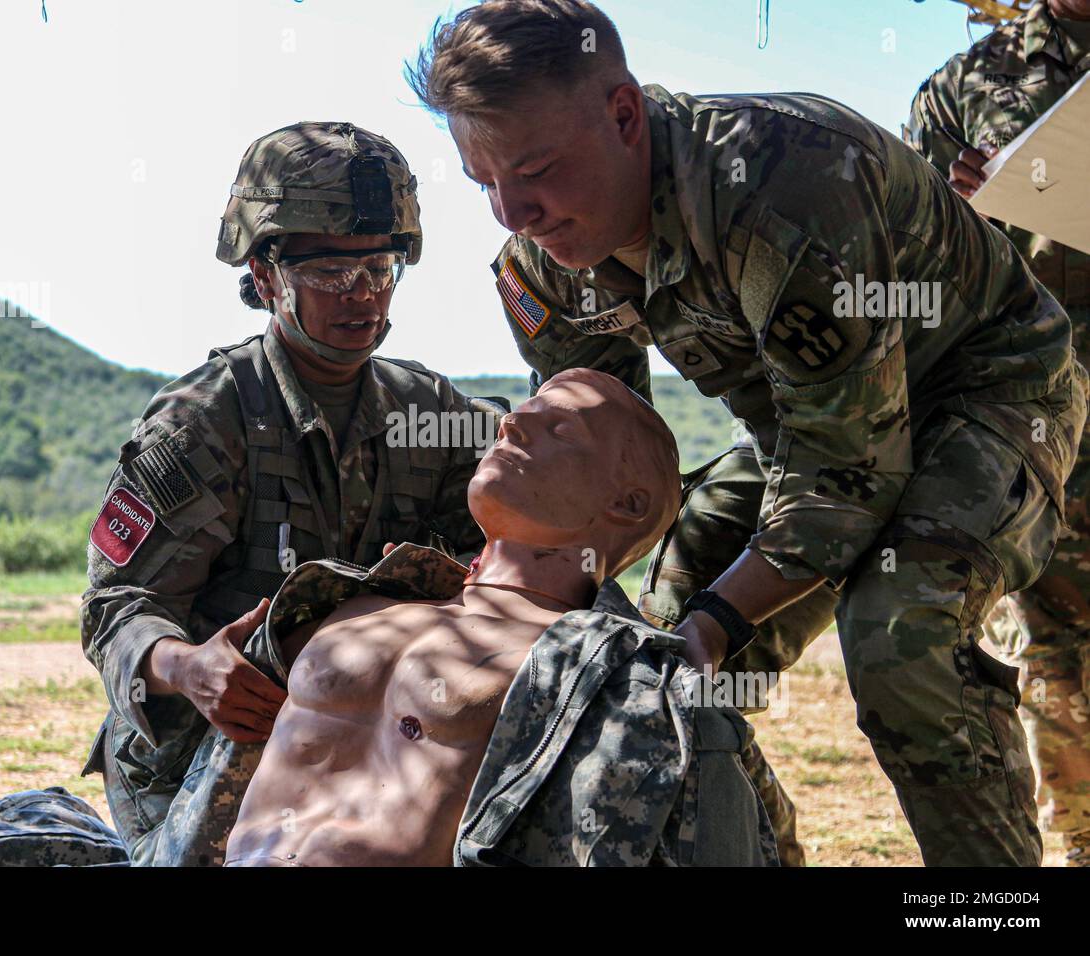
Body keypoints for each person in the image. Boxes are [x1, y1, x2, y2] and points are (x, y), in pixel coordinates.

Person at [406, 0, 1088, 866]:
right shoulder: (547, 261)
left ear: (622, 114)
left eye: (536, 169)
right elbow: (594, 477)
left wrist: (724, 619)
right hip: (803, 431)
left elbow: (849, 474)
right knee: (649, 654)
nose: (513, 211)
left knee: (897, 636)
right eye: (482, 182)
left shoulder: (787, 185)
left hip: (982, 390)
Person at [79, 121, 503, 864]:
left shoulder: (431, 411)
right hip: (207, 754)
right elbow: (116, 609)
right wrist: (190, 667)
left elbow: (503, 551)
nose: (363, 297)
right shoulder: (204, 424)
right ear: (266, 273)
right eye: (332, 276)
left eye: (380, 271)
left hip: (372, 736)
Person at [150, 368, 778, 867]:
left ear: (628, 504)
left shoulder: (624, 681)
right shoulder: (347, 601)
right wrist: (183, 663)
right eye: (522, 413)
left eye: (561, 430)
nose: (512, 425)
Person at [905, 0, 1090, 865]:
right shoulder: (963, 86)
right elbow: (906, 256)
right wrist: (960, 214)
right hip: (1037, 411)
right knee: (1058, 650)